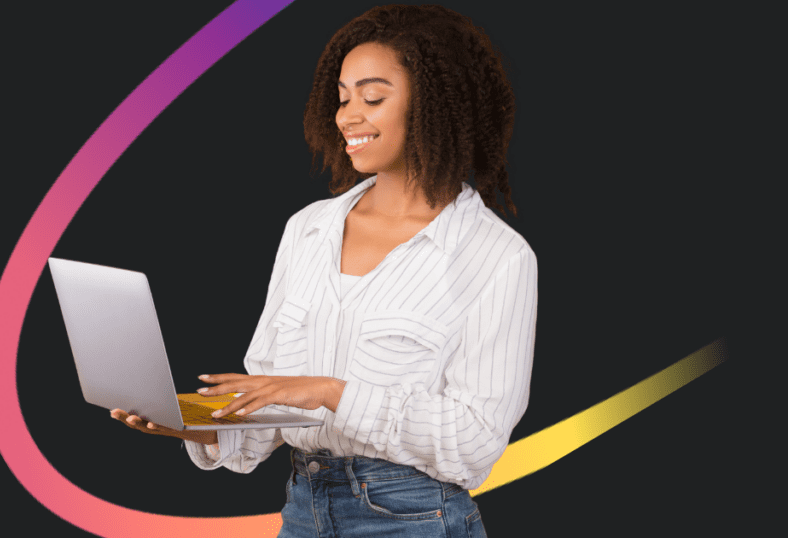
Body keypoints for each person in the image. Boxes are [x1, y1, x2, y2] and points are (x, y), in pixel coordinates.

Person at [111, 5, 536, 536]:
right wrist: (189, 424)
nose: (347, 116)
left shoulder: (495, 255)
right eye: (342, 97)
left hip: (414, 519)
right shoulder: (308, 230)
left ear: (434, 105)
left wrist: (329, 391)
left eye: (373, 98)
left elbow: (475, 441)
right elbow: (270, 411)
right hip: (304, 509)